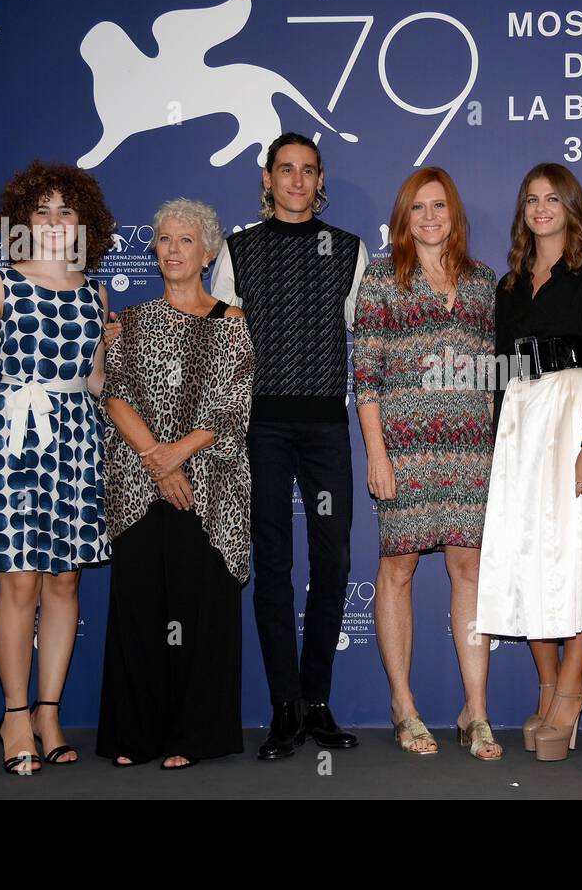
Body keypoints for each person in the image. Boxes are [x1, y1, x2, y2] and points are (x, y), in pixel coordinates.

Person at [210, 132, 368, 760]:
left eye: (308, 170)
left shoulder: (350, 251)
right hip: (262, 429)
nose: (297, 180)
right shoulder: (238, 250)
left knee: (332, 566)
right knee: (273, 568)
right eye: (286, 169)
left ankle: (318, 702)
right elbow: (221, 344)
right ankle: (284, 708)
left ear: (320, 178)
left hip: (328, 429)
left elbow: (367, 341)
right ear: (268, 178)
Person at [0, 160, 113, 774]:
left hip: (75, 438)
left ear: (84, 223)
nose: (52, 221)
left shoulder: (96, 292)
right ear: (22, 220)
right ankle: (14, 715)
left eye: (65, 211)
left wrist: (114, 353)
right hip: (11, 439)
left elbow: (94, 381)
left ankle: (50, 712)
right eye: (41, 211)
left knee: (65, 582)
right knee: (19, 581)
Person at [96, 199, 254, 770]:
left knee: (198, 608)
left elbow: (230, 406)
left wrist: (177, 458)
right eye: (163, 239)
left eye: (185, 240)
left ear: (207, 252)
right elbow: (116, 395)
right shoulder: (130, 322)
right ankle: (134, 736)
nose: (172, 249)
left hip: (210, 487)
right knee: (141, 608)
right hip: (140, 485)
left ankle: (194, 734)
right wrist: (156, 462)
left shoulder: (231, 321)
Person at [475, 163, 582, 762]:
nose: (541, 208)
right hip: (519, 423)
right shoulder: (508, 285)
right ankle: (545, 687)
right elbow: (501, 368)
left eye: (552, 198)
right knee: (527, 554)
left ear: (571, 207)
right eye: (531, 198)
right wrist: (496, 442)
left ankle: (571, 689)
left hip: (572, 418)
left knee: (579, 553)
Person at [353, 167, 502, 760]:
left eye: (439, 206)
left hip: (470, 453)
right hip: (404, 453)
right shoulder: (382, 280)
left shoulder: (485, 283)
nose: (430, 217)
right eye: (418, 208)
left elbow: (496, 376)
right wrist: (377, 455)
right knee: (399, 569)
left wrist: (498, 450)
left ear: (454, 214)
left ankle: (477, 710)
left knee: (470, 570)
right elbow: (364, 378)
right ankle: (404, 705)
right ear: (403, 219)